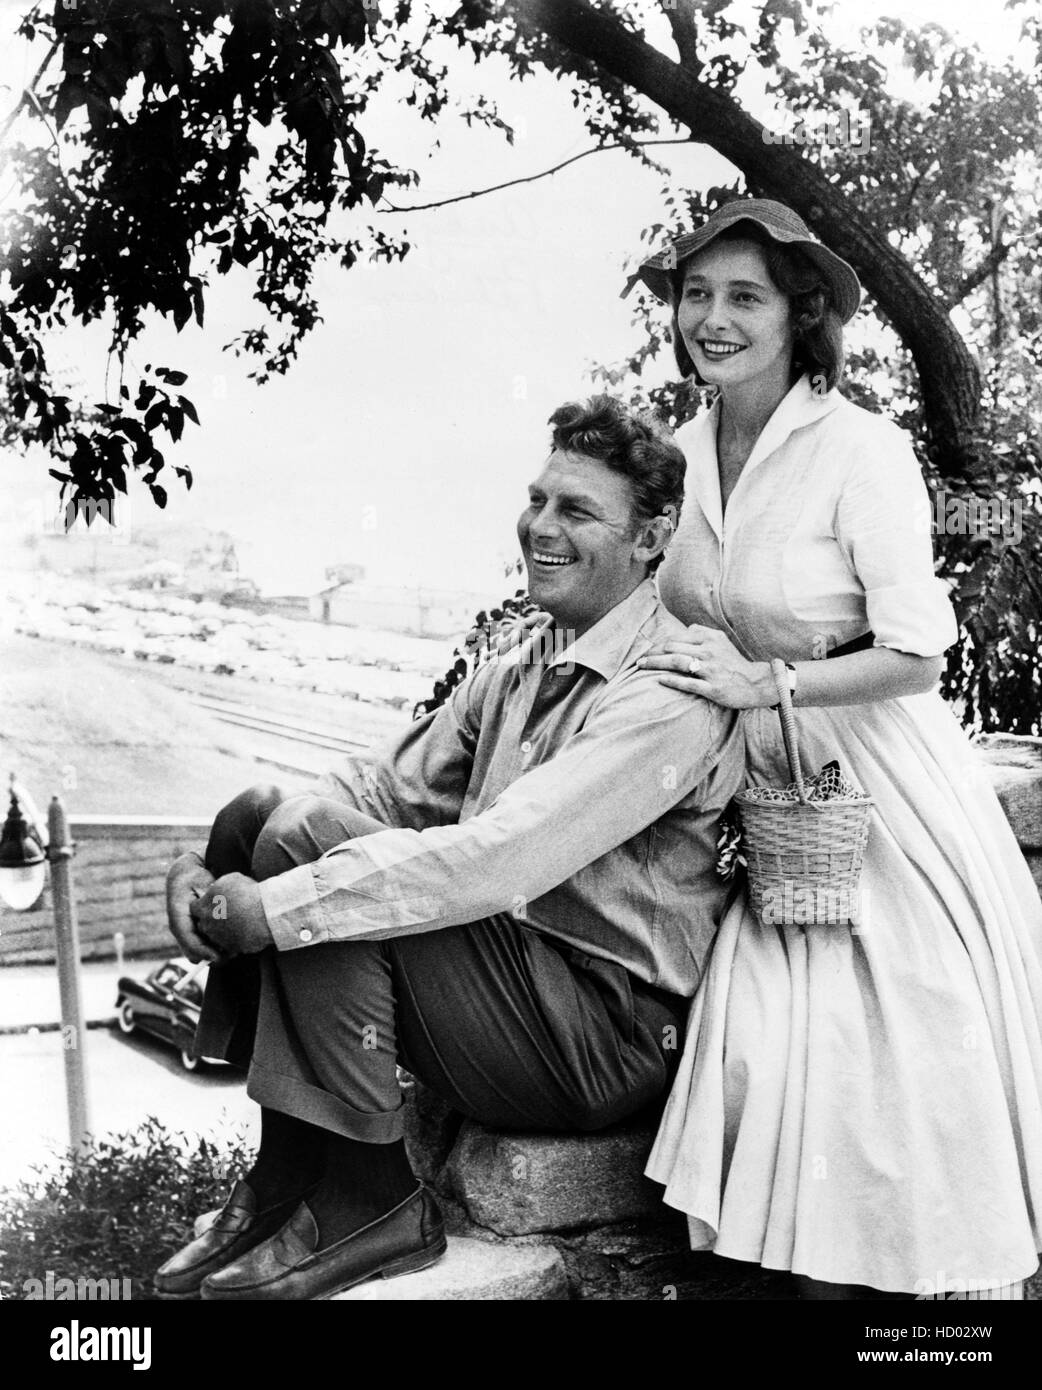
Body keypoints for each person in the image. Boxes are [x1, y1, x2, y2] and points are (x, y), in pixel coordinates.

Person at [155, 394, 746, 1301]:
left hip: (601, 1033)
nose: (541, 527)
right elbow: (379, 786)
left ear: (652, 537)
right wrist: (208, 865)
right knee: (263, 809)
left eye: (578, 511)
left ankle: (371, 1198)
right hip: (506, 988)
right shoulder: (522, 662)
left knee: (311, 851)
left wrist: (269, 910)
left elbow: (498, 859)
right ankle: (286, 1172)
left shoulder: (667, 692)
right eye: (539, 499)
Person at [633, 198, 1042, 1299]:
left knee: (877, 1071)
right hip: (742, 781)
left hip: (870, 787)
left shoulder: (862, 449)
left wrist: (768, 682)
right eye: (696, 294)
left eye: (744, 297)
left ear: (799, 314)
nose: (711, 318)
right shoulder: (680, 453)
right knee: (754, 1053)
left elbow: (916, 654)